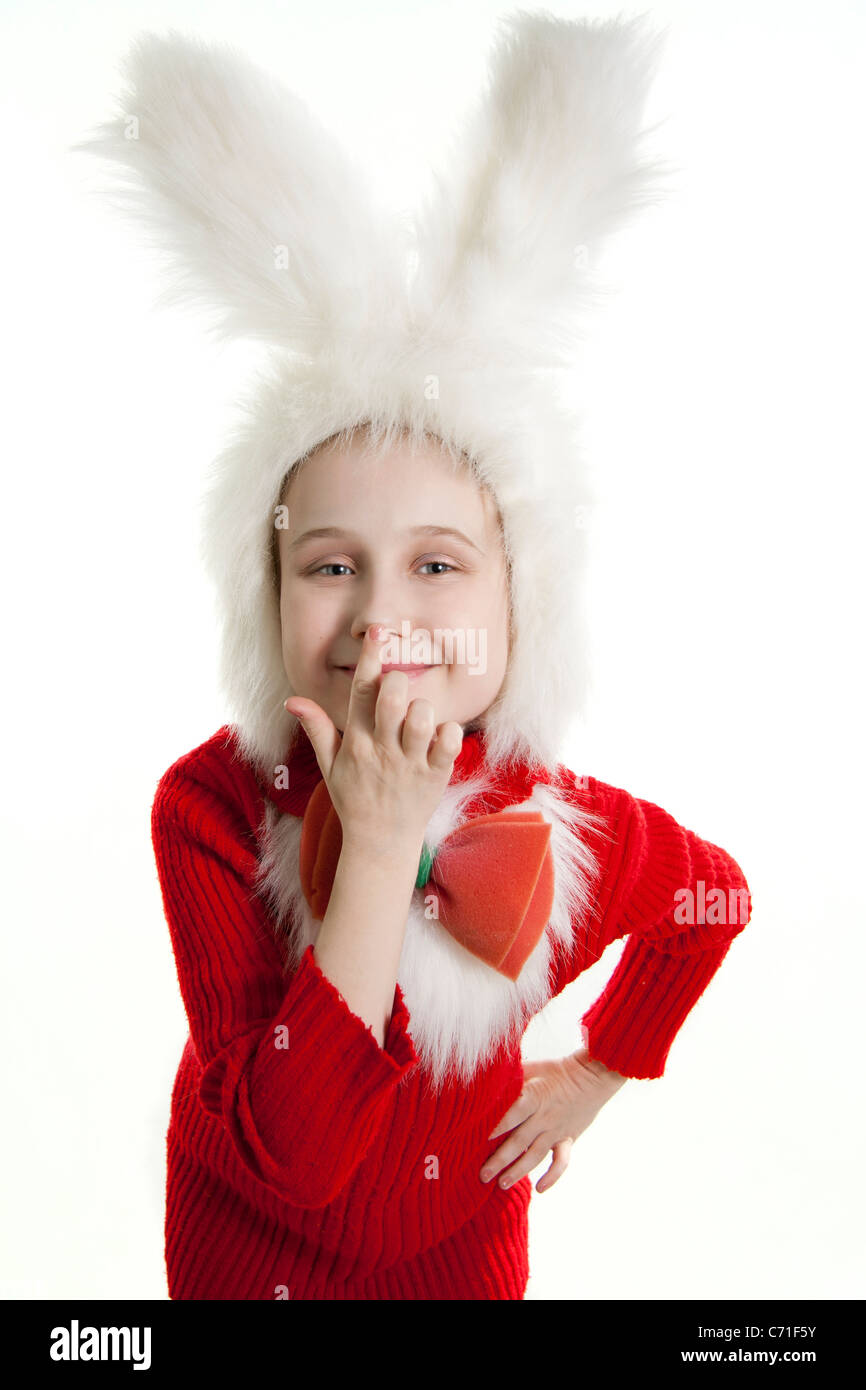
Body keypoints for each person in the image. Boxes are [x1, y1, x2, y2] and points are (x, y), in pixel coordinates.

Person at [74, 12, 752, 1300]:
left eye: (437, 564)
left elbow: (713, 898)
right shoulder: (208, 810)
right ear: (264, 597)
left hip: (460, 1261)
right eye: (332, 567)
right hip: (249, 1259)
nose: (384, 622)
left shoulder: (564, 823)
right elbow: (296, 1158)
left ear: (521, 606)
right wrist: (376, 850)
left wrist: (603, 1065)